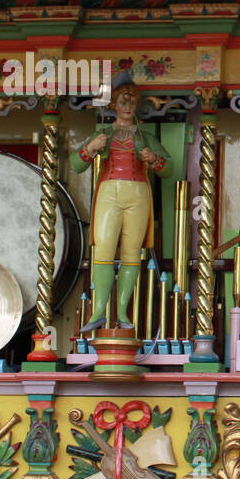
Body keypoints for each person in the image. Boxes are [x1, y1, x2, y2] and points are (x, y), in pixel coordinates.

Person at [72, 70, 175, 332]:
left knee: (131, 253)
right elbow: (76, 164)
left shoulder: (146, 136)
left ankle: (122, 314)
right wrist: (91, 148)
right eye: (123, 101)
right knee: (104, 251)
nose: (128, 106)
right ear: (113, 105)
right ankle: (98, 311)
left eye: (131, 101)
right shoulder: (103, 132)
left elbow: (168, 170)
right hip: (109, 191)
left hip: (138, 193)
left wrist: (153, 159)